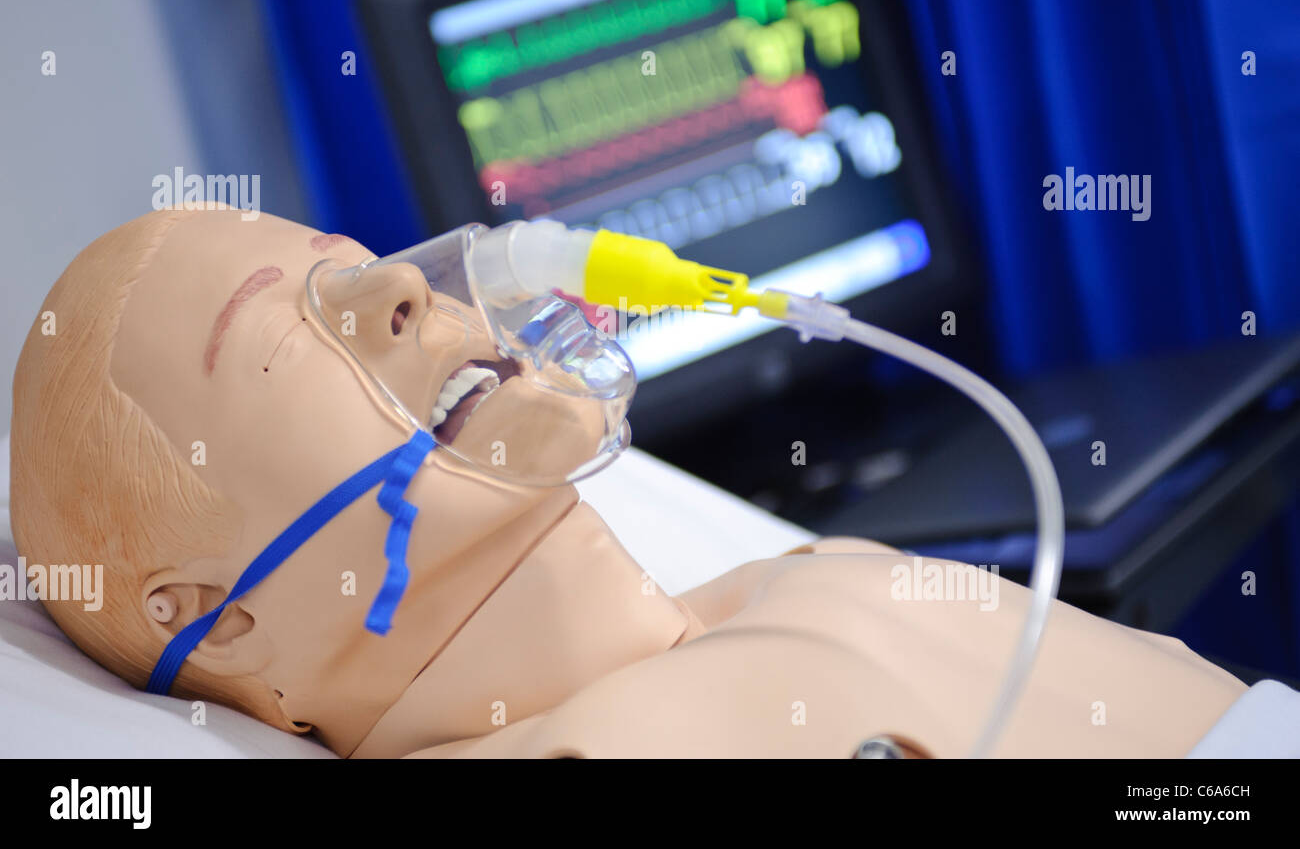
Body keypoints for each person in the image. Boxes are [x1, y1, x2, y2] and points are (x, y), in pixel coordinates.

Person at [11, 206, 1244, 757]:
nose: (402, 284)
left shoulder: (800, 577)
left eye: (348, 262)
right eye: (277, 337)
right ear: (224, 614)